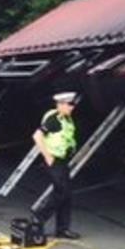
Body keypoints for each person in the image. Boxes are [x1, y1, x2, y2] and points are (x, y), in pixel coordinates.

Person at [31, 92, 80, 239]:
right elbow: (37, 136)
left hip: (63, 161)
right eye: (70, 105)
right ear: (61, 105)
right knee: (61, 191)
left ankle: (62, 229)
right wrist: (47, 156)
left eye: (73, 105)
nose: (72, 107)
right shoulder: (54, 119)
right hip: (54, 161)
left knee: (67, 195)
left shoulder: (67, 119)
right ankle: (39, 218)